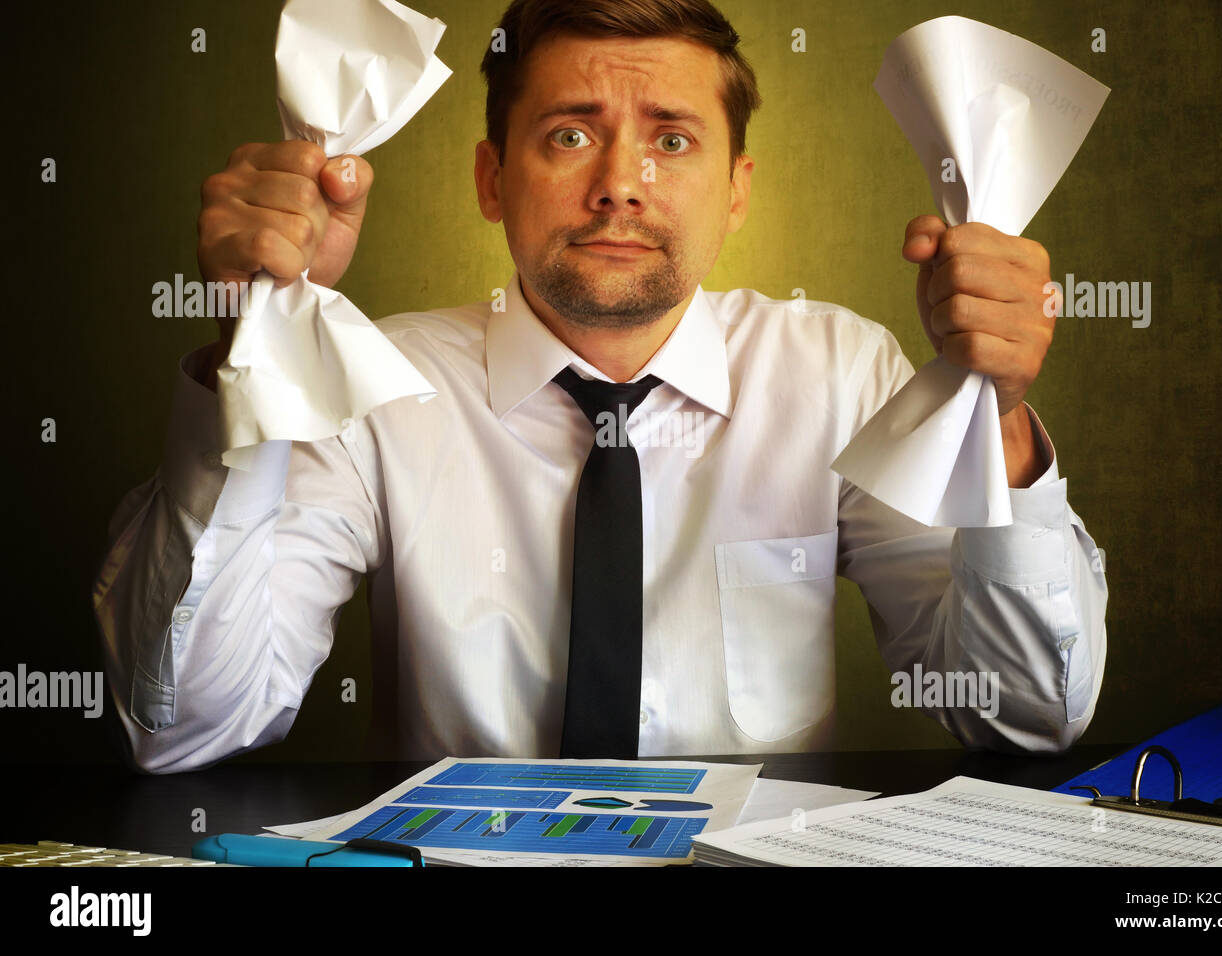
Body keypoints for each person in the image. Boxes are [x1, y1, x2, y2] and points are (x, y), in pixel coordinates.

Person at [93, 0, 1107, 774]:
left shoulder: (840, 375)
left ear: (737, 191)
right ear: (493, 179)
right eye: (570, 133)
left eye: (671, 138)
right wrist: (259, 341)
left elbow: (1022, 712)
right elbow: (186, 728)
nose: (621, 181)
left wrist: (999, 415)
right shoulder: (376, 388)